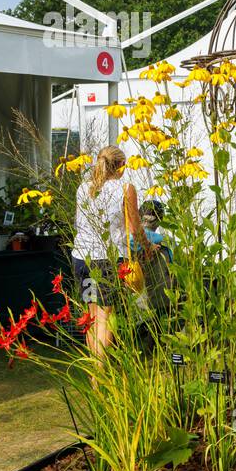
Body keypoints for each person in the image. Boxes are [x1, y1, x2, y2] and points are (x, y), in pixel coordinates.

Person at [73, 145, 157, 359]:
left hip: (82, 258)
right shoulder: (125, 188)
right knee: (105, 318)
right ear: (121, 165)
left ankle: (95, 370)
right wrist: (148, 247)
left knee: (92, 316)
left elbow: (78, 222)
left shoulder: (83, 188)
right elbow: (135, 228)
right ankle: (100, 373)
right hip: (107, 260)